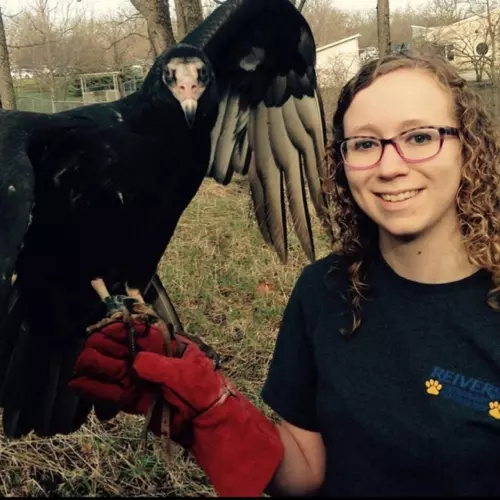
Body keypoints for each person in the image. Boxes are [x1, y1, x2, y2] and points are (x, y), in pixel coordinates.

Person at [68, 51, 500, 497]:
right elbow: (307, 470)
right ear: (342, 161)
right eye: (366, 144)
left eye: (420, 137)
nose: (390, 167)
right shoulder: (325, 290)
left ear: (470, 146)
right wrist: (210, 409)